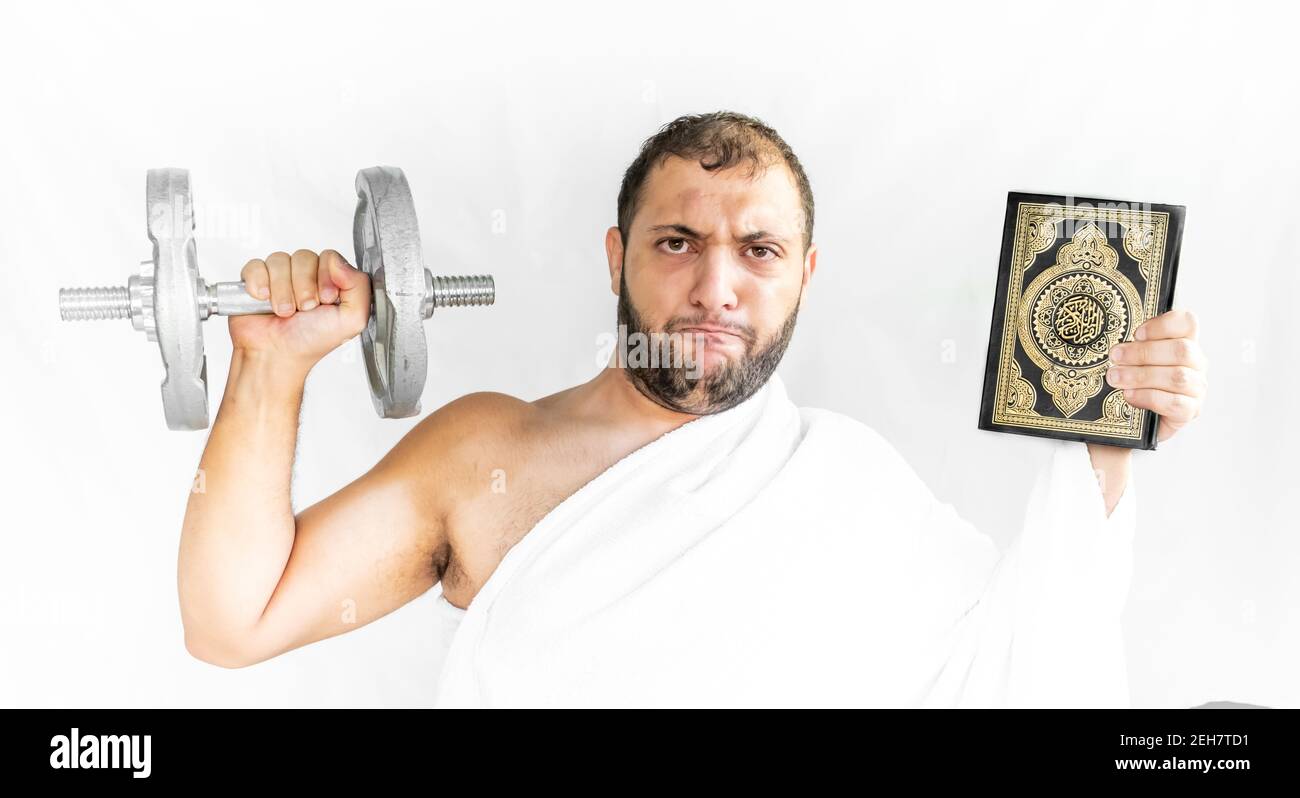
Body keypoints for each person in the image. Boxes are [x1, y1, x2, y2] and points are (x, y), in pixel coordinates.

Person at [177, 111, 1209, 707]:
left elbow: (1023, 675)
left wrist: (1101, 443)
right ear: (617, 254)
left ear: (803, 276)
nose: (717, 285)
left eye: (757, 251)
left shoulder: (853, 489)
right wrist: (269, 367)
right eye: (678, 242)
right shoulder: (487, 451)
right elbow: (235, 621)